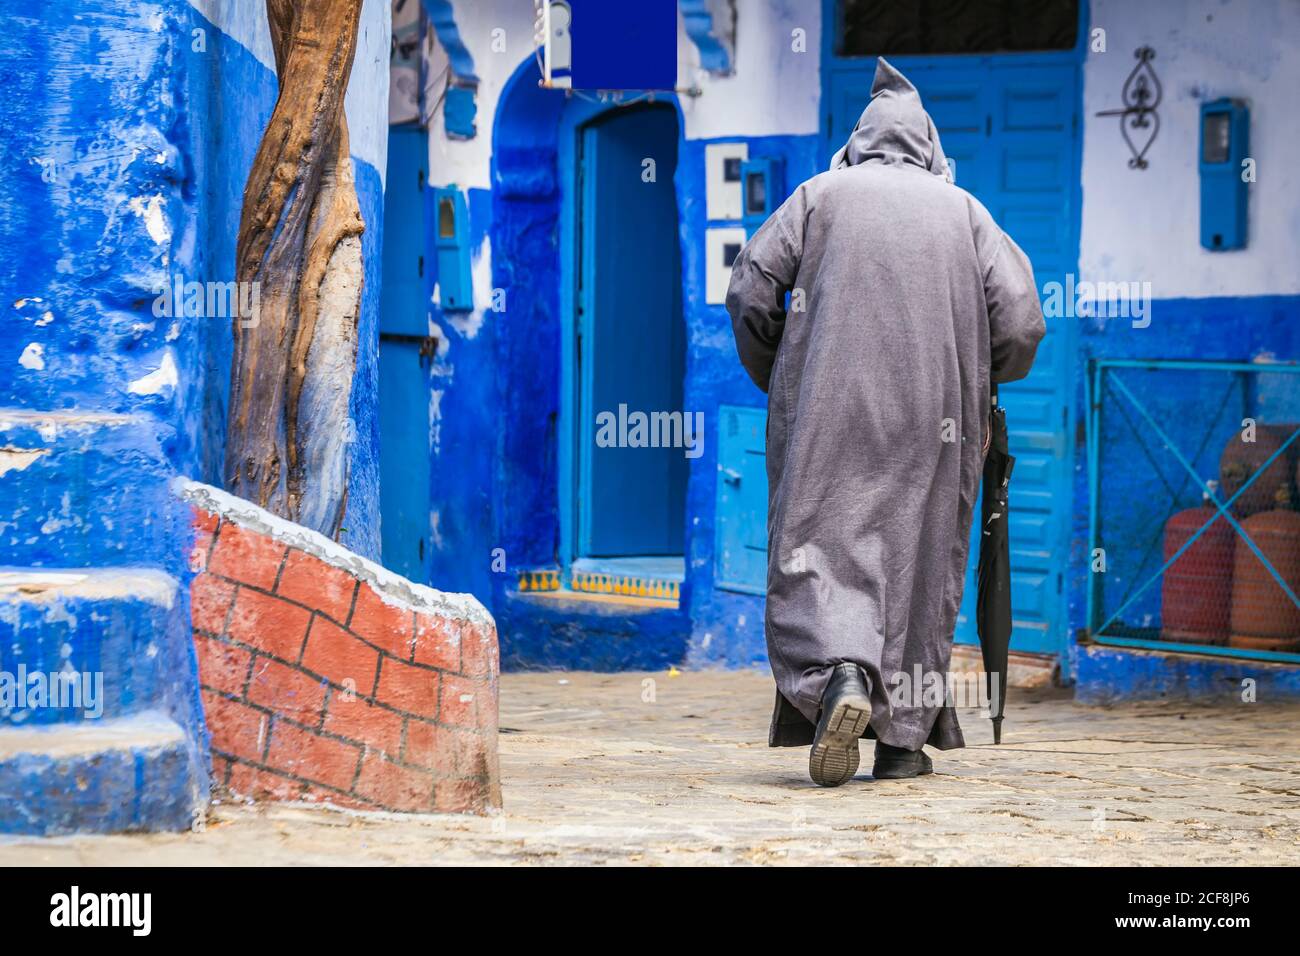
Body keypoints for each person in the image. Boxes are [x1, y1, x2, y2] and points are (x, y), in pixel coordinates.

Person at [725, 58, 1045, 787]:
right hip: (939, 422)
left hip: (827, 413)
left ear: (857, 143)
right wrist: (978, 375)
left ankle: (839, 677)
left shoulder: (817, 196)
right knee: (919, 564)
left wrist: (781, 376)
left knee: (820, 546)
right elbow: (1023, 323)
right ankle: (902, 743)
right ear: (928, 146)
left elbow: (749, 290)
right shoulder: (965, 211)